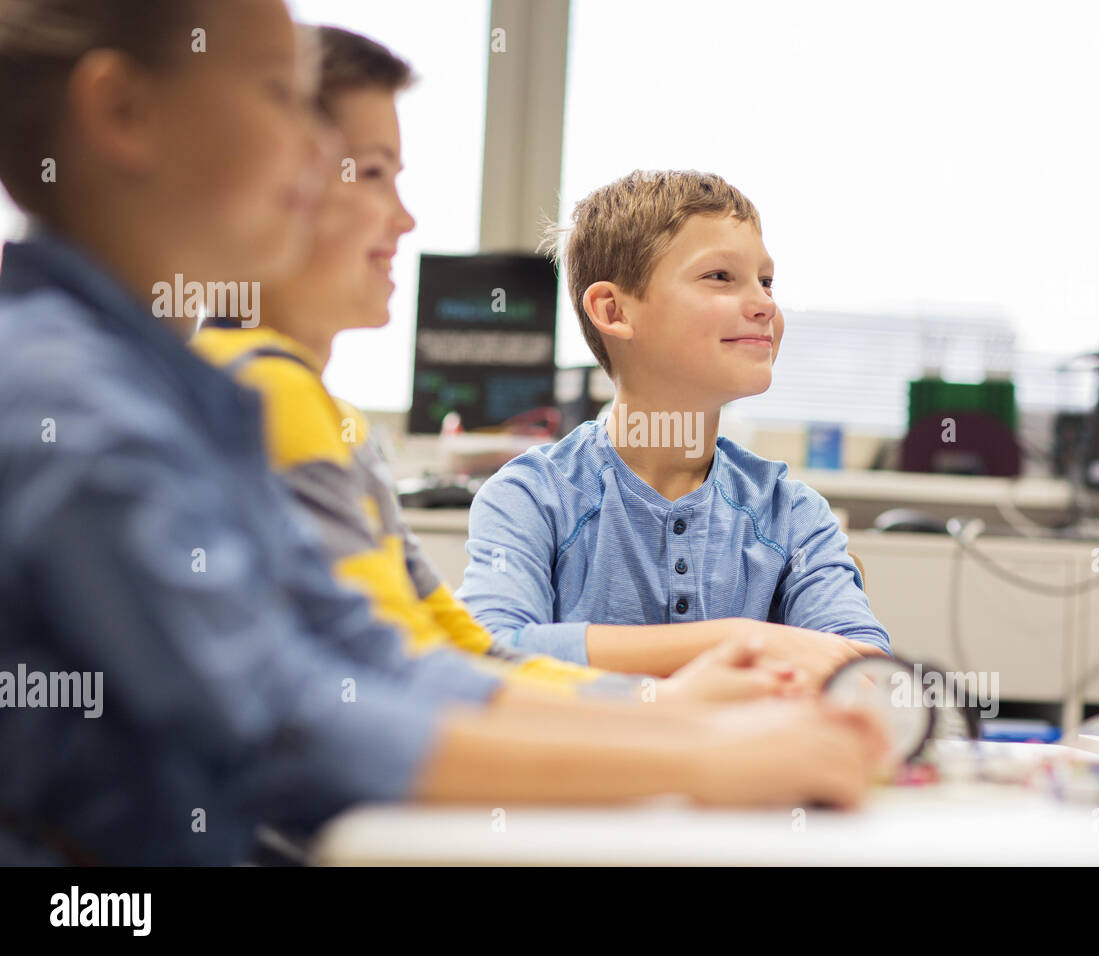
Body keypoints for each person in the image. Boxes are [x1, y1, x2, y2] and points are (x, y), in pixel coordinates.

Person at [0, 0, 887, 865]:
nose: (317, 154)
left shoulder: (174, 395)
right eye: (278, 94)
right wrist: (696, 754)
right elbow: (282, 718)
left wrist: (674, 723)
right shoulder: (74, 400)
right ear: (123, 111)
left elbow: (383, 660)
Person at [457, 169, 892, 684]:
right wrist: (741, 640)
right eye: (720, 277)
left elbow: (867, 677)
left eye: (766, 281)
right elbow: (489, 650)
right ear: (613, 310)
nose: (766, 304)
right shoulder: (530, 498)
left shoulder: (792, 516)